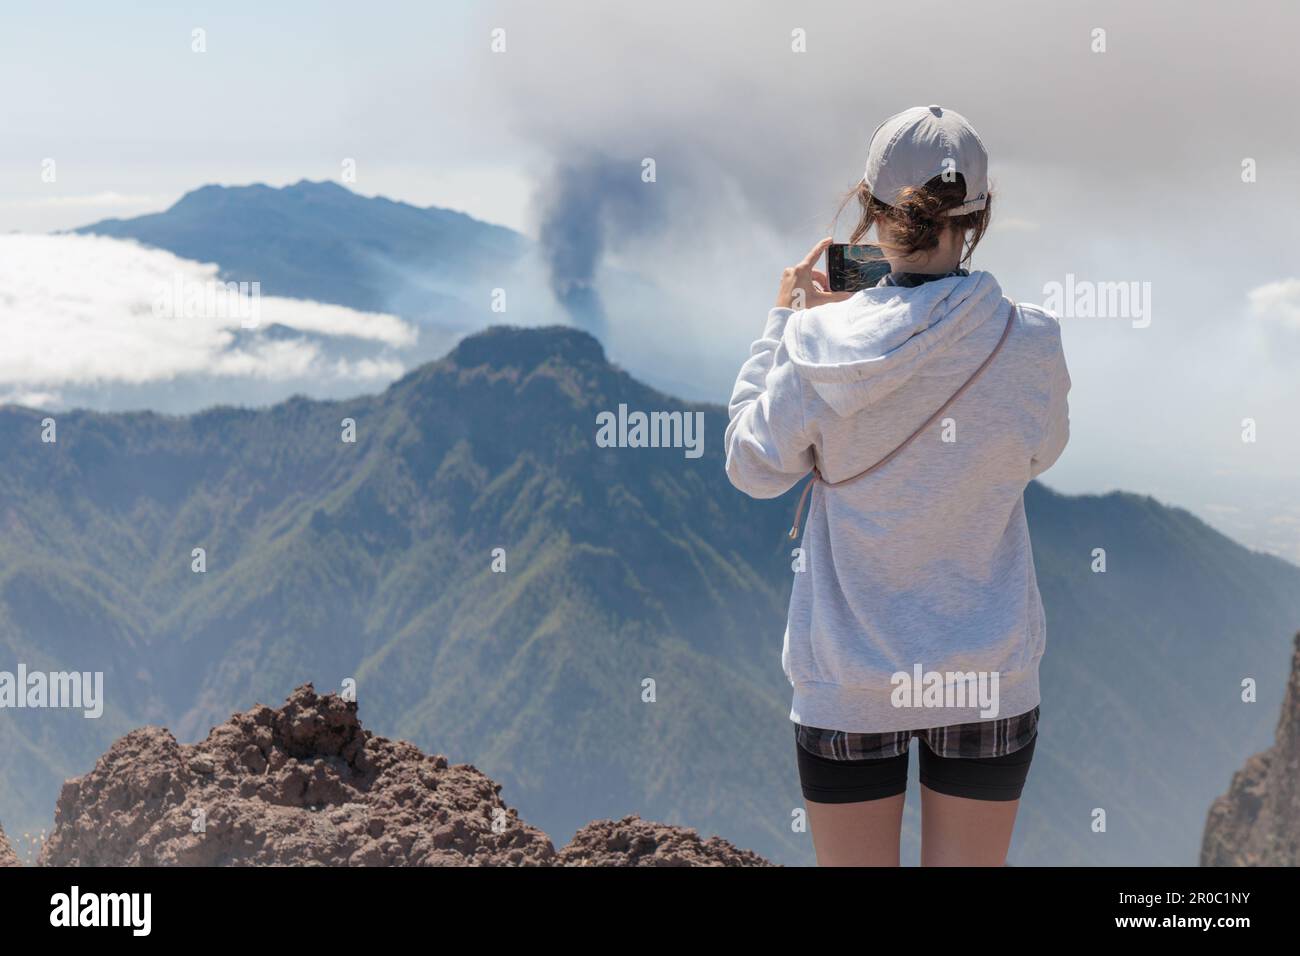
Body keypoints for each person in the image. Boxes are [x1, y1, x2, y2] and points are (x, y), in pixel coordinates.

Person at [725, 106, 1071, 866]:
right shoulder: (1033, 342)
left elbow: (751, 466)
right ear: (976, 220)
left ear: (872, 211)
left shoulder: (816, 345)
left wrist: (785, 322)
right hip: (988, 673)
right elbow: (1038, 453)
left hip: (850, 681)